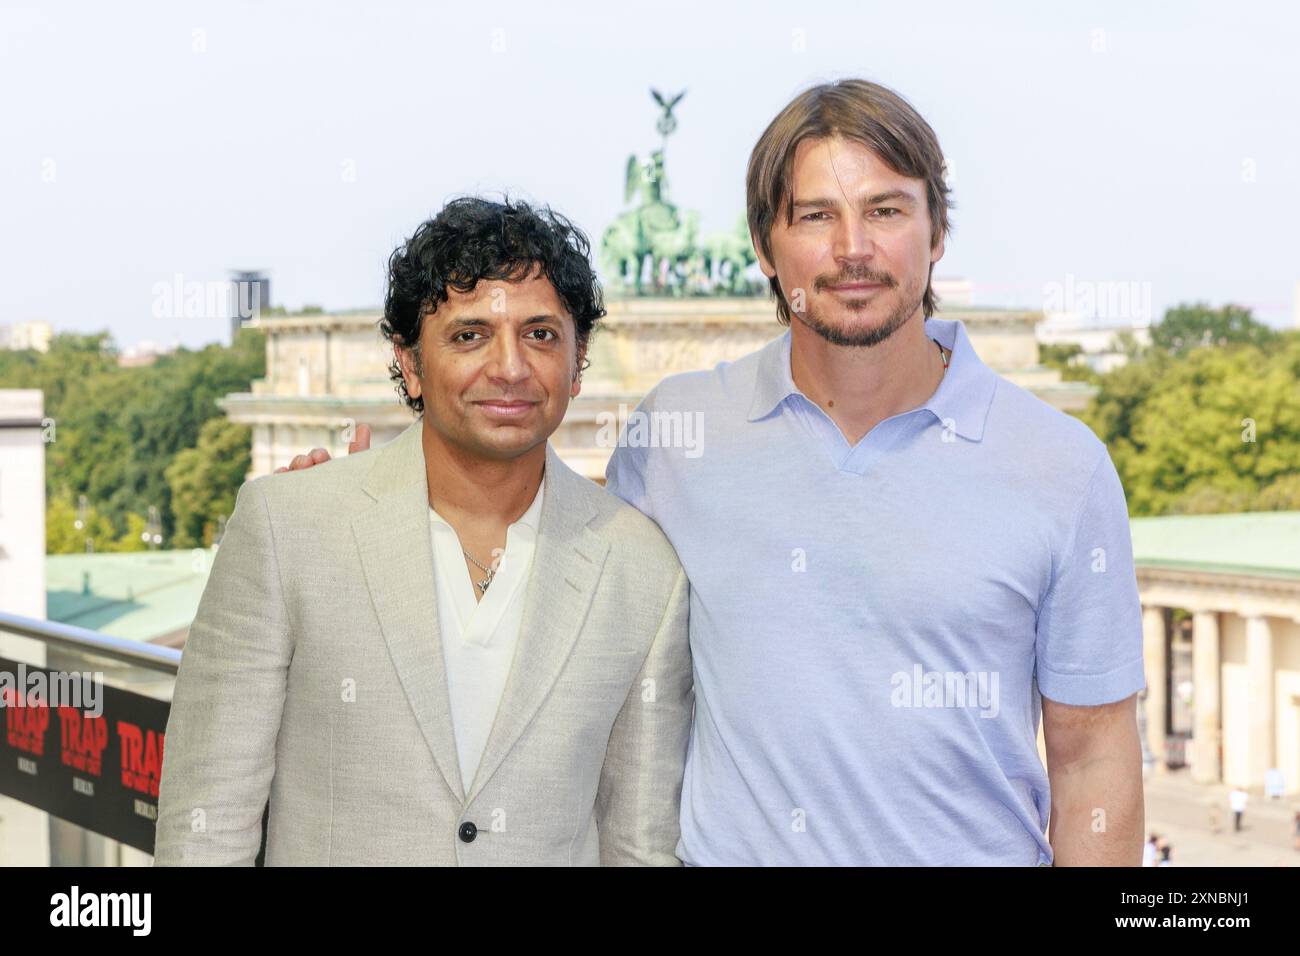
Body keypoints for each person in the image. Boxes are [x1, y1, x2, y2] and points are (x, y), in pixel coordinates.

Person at [291, 79, 1147, 866]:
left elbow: (1094, 757)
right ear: (765, 247)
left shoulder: (1060, 467)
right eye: (815, 216)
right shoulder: (676, 432)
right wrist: (386, 502)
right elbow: (544, 584)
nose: (853, 248)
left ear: (938, 232)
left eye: (886, 209)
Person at [154, 197, 692, 866]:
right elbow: (207, 824)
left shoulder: (646, 572)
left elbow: (638, 844)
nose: (511, 368)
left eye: (541, 334)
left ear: (578, 365)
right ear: (409, 363)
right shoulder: (287, 529)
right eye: (470, 335)